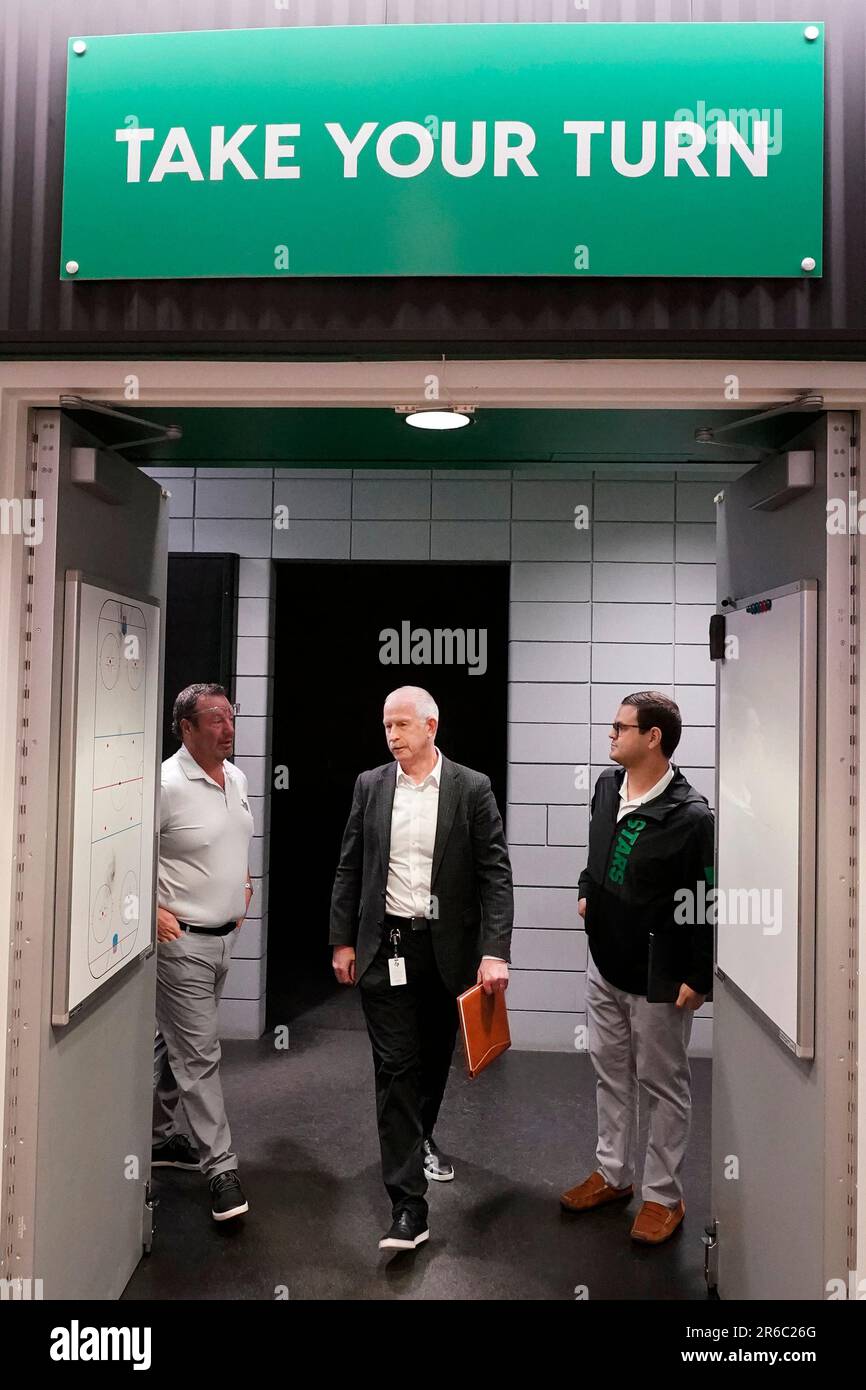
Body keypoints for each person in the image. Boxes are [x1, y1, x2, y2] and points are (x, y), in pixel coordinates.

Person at [330, 686, 513, 1251]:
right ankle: (408, 1206)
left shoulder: (471, 788)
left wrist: (494, 949)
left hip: (446, 952)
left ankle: (422, 1134)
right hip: (385, 947)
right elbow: (349, 865)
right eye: (387, 725)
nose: (392, 735)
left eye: (403, 725)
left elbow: (495, 875)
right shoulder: (370, 784)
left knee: (433, 1062)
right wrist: (341, 941)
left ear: (432, 726)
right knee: (395, 1069)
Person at [561, 691, 714, 1245]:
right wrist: (586, 890)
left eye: (621, 728)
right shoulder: (607, 787)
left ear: (653, 737)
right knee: (610, 1073)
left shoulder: (690, 815)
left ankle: (663, 1197)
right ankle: (614, 1175)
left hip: (659, 975)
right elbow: (597, 851)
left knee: (663, 1085)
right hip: (605, 962)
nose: (611, 735)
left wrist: (698, 976)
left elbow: (706, 897)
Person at [151, 683, 254, 1222]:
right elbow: (122, 848)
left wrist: (243, 880)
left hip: (222, 940)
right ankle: (221, 1168)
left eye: (230, 717)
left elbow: (233, 838)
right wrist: (149, 907)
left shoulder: (235, 777)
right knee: (199, 1055)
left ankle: (159, 1138)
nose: (228, 728)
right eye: (215, 719)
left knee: (173, 1046)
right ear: (186, 728)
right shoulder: (165, 783)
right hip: (180, 942)